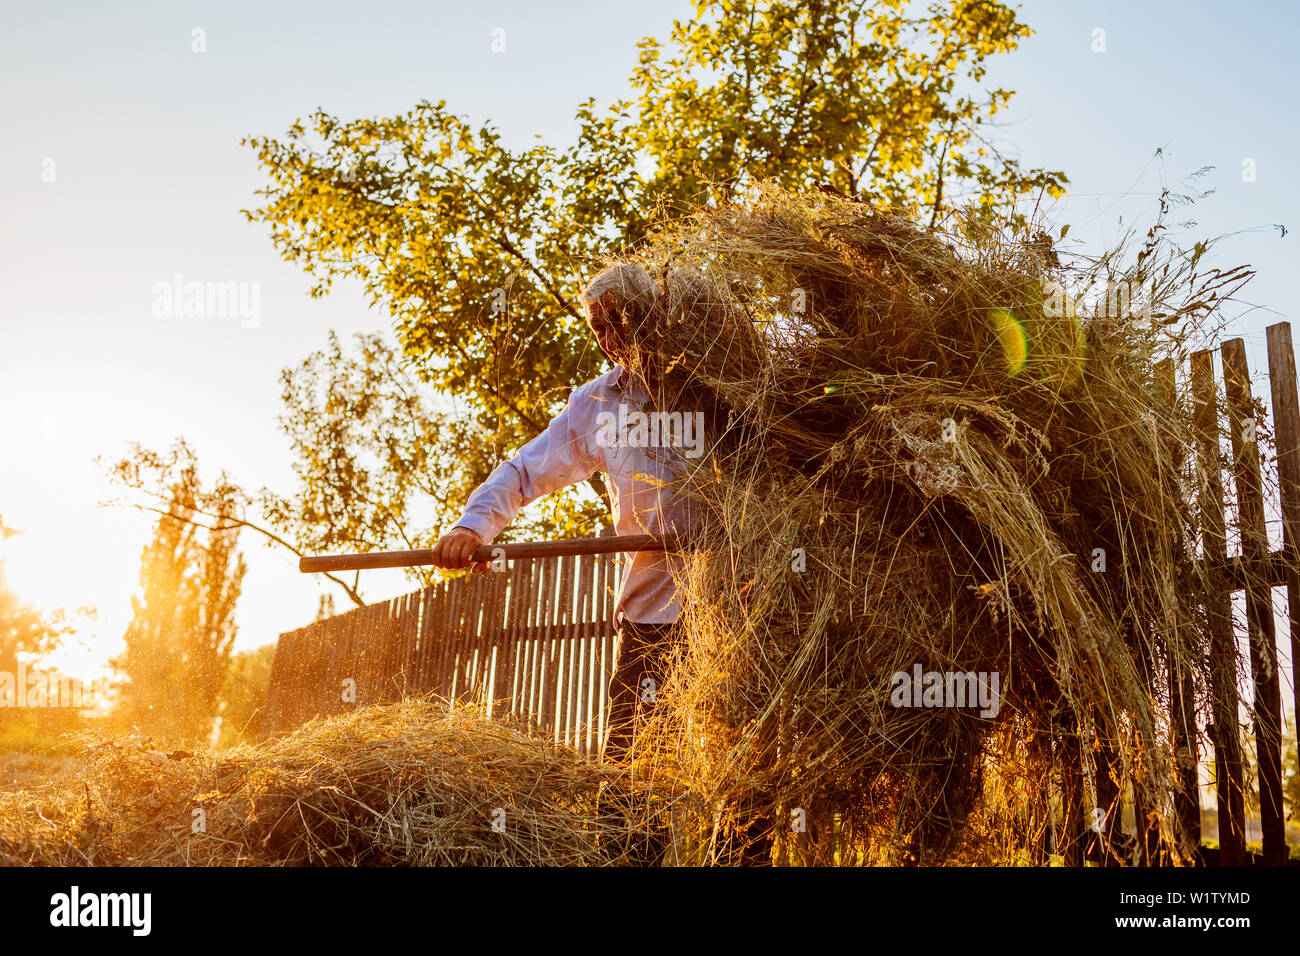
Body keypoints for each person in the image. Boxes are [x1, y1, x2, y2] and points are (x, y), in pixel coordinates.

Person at [430, 263, 693, 766]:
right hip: (653, 620)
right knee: (632, 783)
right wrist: (473, 525)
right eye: (599, 327)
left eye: (620, 319)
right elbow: (526, 471)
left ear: (651, 313)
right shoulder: (595, 405)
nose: (611, 337)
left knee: (750, 788)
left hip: (739, 605)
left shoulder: (721, 381)